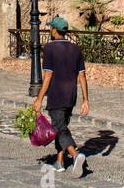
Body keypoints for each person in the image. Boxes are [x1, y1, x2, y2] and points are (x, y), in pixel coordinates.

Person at [32, 15, 91, 178]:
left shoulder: (50, 48)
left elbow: (48, 76)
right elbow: (82, 76)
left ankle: (75, 155)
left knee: (59, 128)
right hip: (71, 95)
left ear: (55, 30)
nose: (50, 30)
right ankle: (59, 162)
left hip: (56, 94)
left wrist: (39, 98)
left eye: (51, 28)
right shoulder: (76, 49)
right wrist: (85, 100)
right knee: (61, 128)